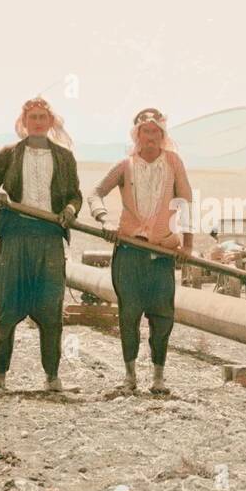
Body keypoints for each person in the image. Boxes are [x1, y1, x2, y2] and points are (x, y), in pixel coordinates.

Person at [87, 107, 194, 396]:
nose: (150, 137)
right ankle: (130, 377)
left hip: (161, 253)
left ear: (163, 135)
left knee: (162, 317)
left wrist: (188, 242)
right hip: (130, 253)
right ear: (137, 135)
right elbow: (95, 193)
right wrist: (104, 218)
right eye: (145, 132)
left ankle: (158, 378)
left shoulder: (173, 163)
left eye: (156, 132)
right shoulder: (125, 165)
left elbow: (185, 200)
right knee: (129, 315)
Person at [0, 97, 82, 393]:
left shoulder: (64, 157)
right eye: (32, 117)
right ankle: (0, 377)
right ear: (24, 122)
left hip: (49, 238)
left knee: (51, 310)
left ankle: (52, 376)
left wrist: (72, 210)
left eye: (42, 117)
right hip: (15, 238)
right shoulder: (8, 155)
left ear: (51, 122)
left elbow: (75, 195)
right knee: (8, 308)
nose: (37, 122)